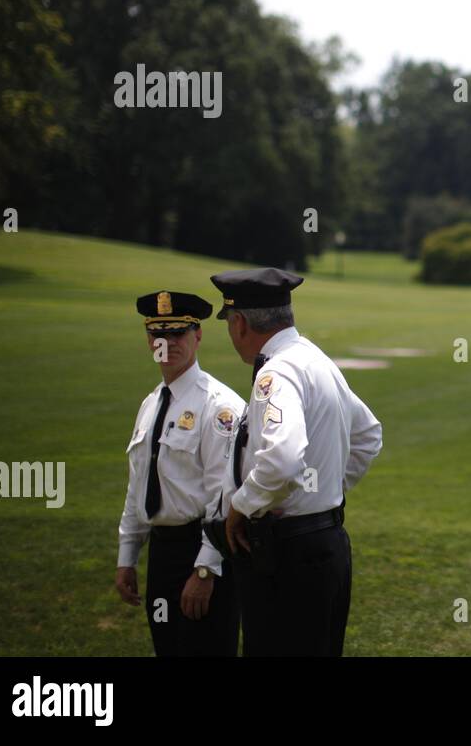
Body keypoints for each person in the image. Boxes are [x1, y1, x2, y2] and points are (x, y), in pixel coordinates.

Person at [208, 267, 382, 656]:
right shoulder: (316, 361)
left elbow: (283, 460)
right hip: (327, 545)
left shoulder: (278, 372)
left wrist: (243, 504)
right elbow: (368, 436)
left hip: (287, 557)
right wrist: (322, 492)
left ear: (239, 323)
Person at [115, 290, 245, 656]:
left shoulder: (218, 406)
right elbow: (138, 484)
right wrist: (127, 556)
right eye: (158, 334)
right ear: (148, 340)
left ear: (198, 335)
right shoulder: (151, 403)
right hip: (163, 553)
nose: (167, 343)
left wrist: (205, 571)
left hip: (204, 553)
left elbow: (225, 495)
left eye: (178, 333)